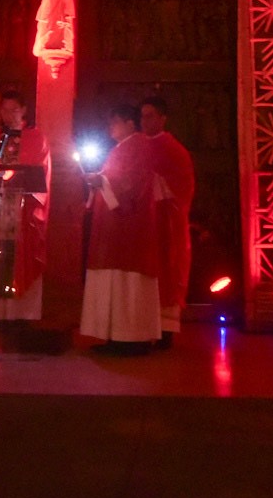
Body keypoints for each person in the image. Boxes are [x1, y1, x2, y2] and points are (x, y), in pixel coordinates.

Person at [80, 105, 162, 355]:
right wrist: (98, 181)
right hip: (114, 228)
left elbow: (130, 185)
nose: (111, 127)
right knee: (115, 280)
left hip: (129, 228)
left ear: (130, 124)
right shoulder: (122, 148)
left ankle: (131, 338)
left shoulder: (138, 146)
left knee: (126, 281)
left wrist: (101, 180)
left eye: (115, 122)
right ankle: (116, 336)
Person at [0, 90, 48, 323]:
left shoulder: (36, 138)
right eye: (4, 110)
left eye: (13, 110)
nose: (8, 115)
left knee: (19, 260)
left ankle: (20, 316)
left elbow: (40, 174)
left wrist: (14, 178)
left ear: (24, 110)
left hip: (22, 213)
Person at [141, 95, 195, 350]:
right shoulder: (136, 146)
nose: (144, 121)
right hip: (144, 224)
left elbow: (183, 187)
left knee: (168, 270)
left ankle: (166, 330)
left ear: (163, 119)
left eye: (150, 115)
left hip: (166, 222)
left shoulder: (174, 150)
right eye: (142, 116)